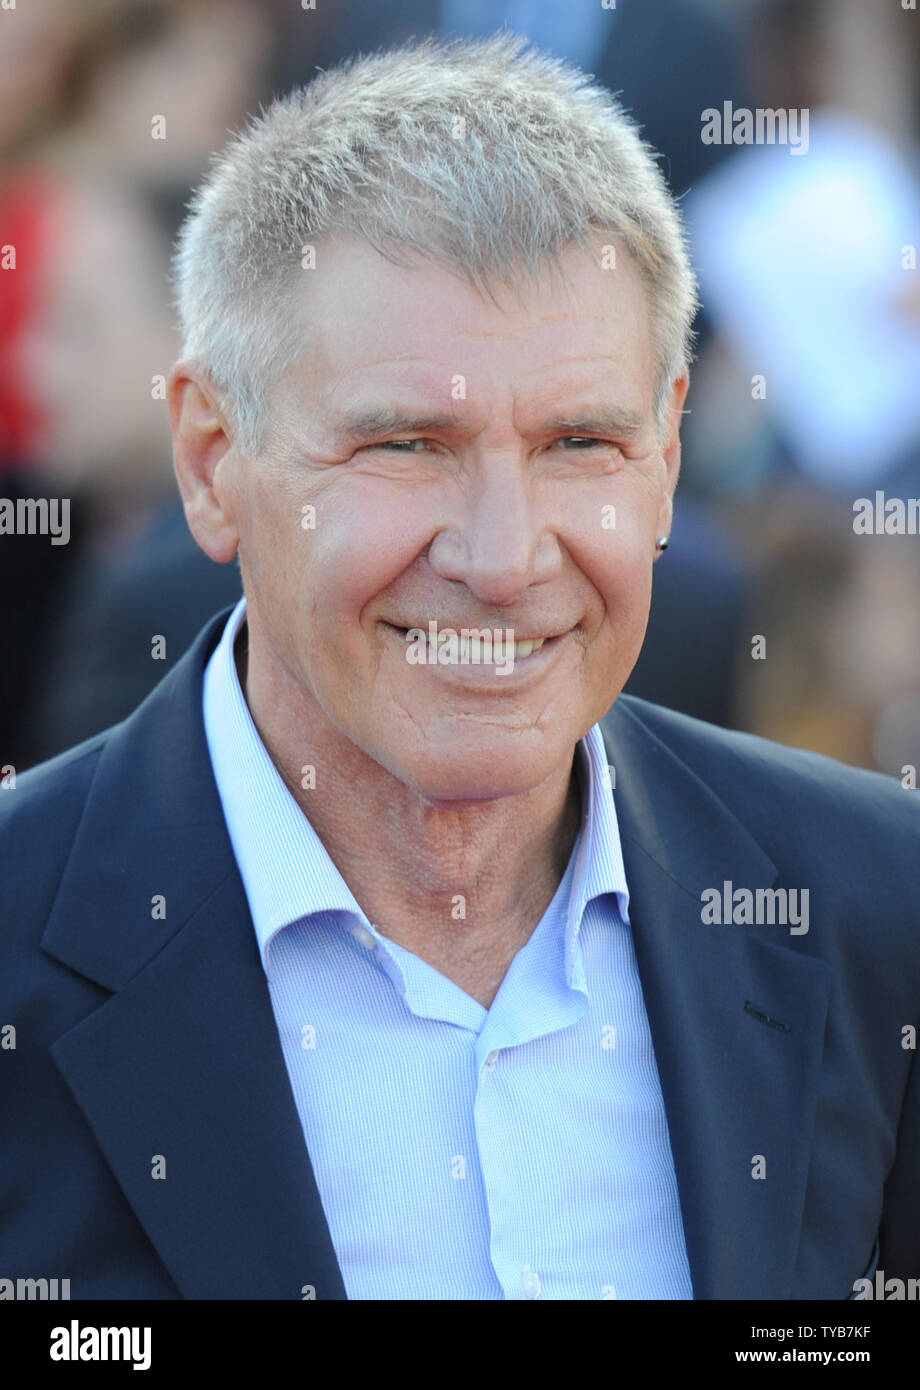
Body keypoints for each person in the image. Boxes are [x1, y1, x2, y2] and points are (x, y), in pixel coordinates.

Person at [1, 34, 917, 1302]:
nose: (500, 556)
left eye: (581, 441)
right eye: (406, 445)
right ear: (213, 460)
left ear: (665, 456)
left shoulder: (876, 901)